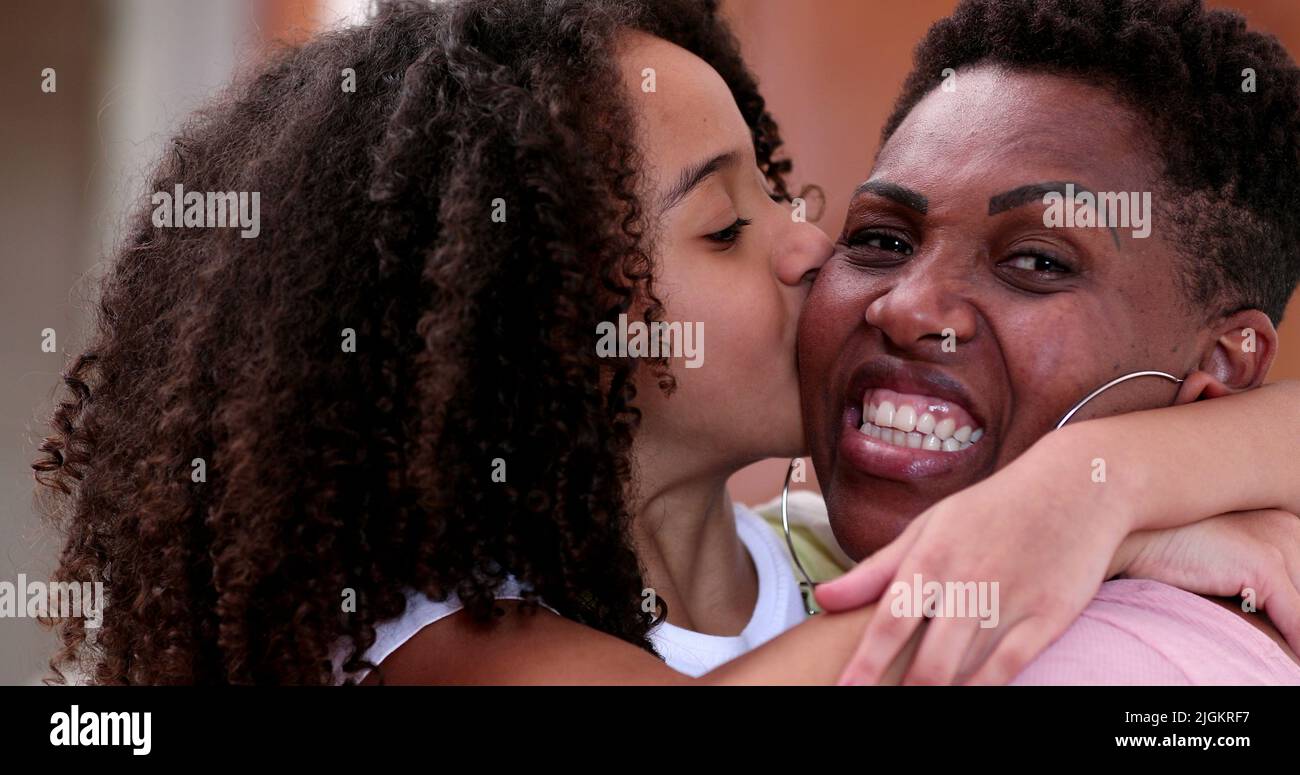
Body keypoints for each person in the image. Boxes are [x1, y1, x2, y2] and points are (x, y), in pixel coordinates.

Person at [31, 0, 1300, 685]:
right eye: (724, 229)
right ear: (550, 337)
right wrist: (1091, 523)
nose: (811, 250)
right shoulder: (446, 644)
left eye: (787, 194)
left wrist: (1114, 481)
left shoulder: (798, 552)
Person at [807, 0, 1300, 685]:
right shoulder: (767, 545)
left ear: (1220, 362)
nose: (909, 307)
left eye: (1039, 261)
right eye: (880, 239)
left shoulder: (1123, 666)